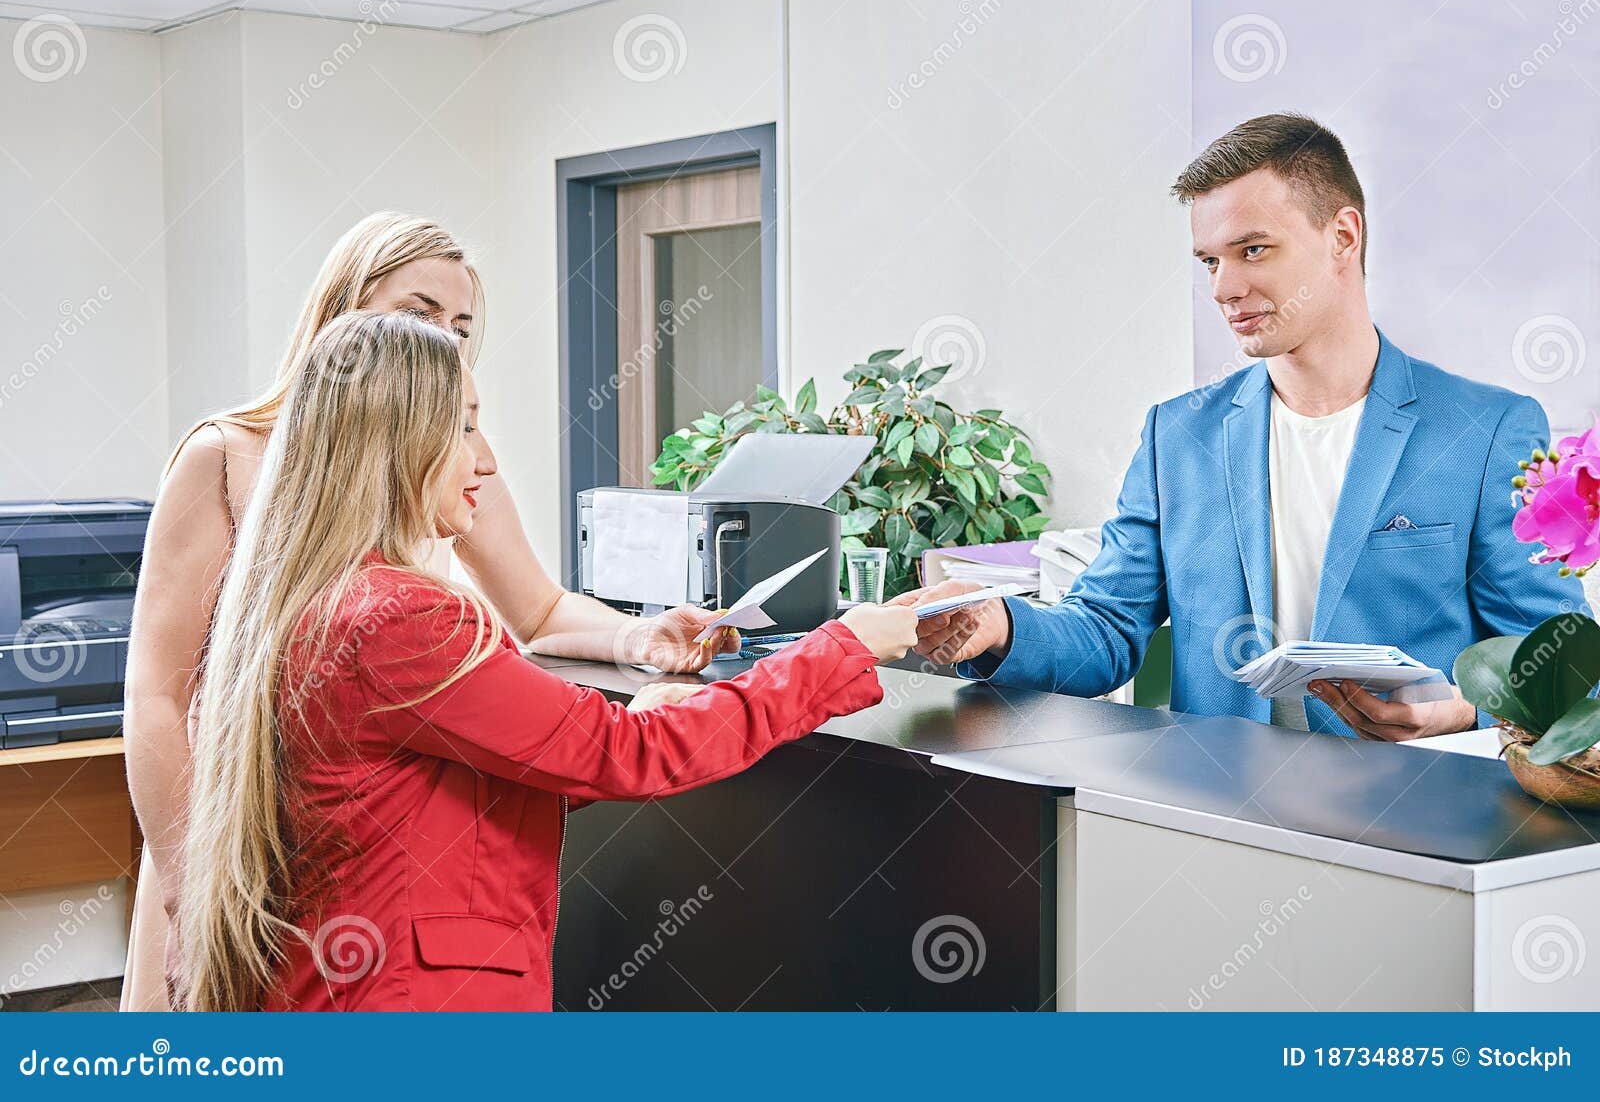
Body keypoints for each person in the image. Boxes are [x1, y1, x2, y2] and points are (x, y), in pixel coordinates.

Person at [176, 311, 917, 1011]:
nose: (487, 460)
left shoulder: (307, 603)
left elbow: (425, 795)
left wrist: (634, 709)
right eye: (464, 426)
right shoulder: (401, 617)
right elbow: (633, 757)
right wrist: (843, 648)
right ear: (393, 442)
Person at [123, 214, 742, 1010]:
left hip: (362, 849)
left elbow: (539, 609)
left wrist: (640, 636)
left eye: (461, 327)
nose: (445, 341)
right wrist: (187, 887)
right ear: (344, 310)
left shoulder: (442, 453)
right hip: (228, 836)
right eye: (420, 314)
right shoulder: (225, 454)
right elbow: (158, 696)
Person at [906, 113, 1589, 739]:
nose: (1223, 288)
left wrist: (1464, 711)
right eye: (1210, 261)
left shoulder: (1486, 431)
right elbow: (1108, 629)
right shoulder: (1177, 436)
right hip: (1221, 809)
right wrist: (1001, 625)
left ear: (1342, 237)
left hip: (1414, 809)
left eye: (1253, 250)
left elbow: (1561, 664)